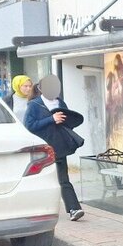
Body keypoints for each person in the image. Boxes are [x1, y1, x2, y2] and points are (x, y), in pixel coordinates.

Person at [25, 75, 86, 222]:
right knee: (41, 179)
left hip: (59, 147)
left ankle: (74, 209)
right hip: (42, 149)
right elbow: (29, 125)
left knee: (63, 179)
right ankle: (35, 210)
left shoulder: (60, 102)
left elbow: (68, 122)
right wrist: (51, 119)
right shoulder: (34, 105)